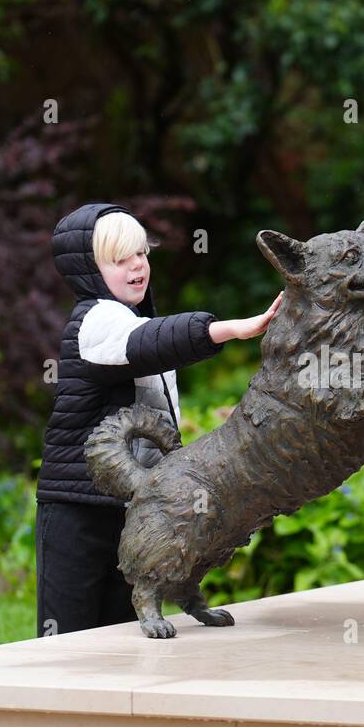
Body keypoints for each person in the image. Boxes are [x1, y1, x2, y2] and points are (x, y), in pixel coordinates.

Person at [36, 203, 279, 637]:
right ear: (88, 270)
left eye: (141, 255)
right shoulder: (96, 320)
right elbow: (150, 342)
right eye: (118, 259)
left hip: (128, 501)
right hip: (79, 507)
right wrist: (229, 329)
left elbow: (152, 342)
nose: (136, 267)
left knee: (119, 629)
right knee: (68, 635)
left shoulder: (133, 320)